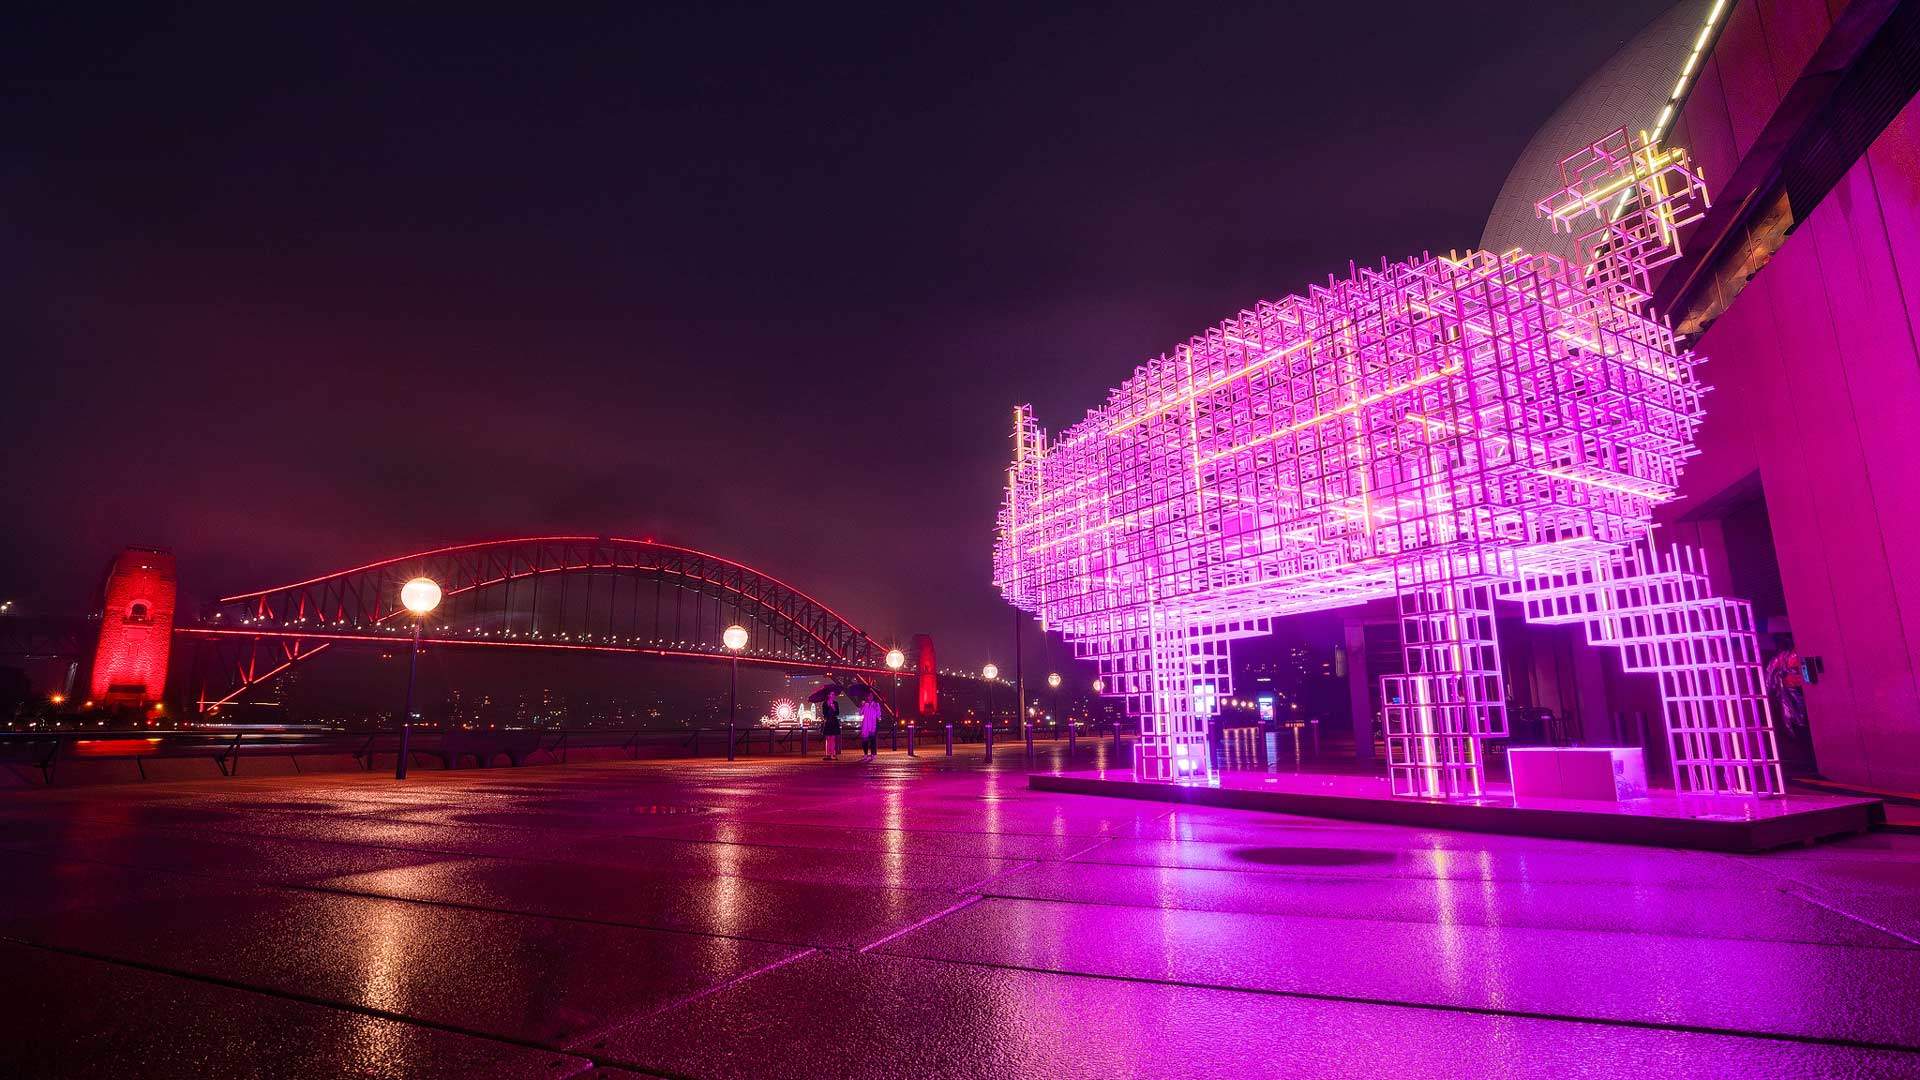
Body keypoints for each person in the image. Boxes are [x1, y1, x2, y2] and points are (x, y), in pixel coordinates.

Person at [820, 690, 841, 760]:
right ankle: (828, 754)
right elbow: (824, 713)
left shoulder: (835, 703)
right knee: (828, 738)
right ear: (828, 695)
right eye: (832, 694)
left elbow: (837, 713)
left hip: (834, 721)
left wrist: (833, 707)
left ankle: (833, 754)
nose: (833, 696)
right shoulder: (825, 703)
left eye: (834, 694)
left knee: (833, 738)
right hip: (828, 721)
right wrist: (828, 706)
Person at [859, 694, 882, 760]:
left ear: (873, 697)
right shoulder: (865, 704)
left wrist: (876, 708)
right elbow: (860, 713)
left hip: (872, 725)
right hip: (865, 725)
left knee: (873, 740)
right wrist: (861, 706)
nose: (870, 697)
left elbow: (879, 715)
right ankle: (865, 754)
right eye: (868, 696)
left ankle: (873, 754)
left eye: (871, 696)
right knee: (865, 741)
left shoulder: (876, 704)